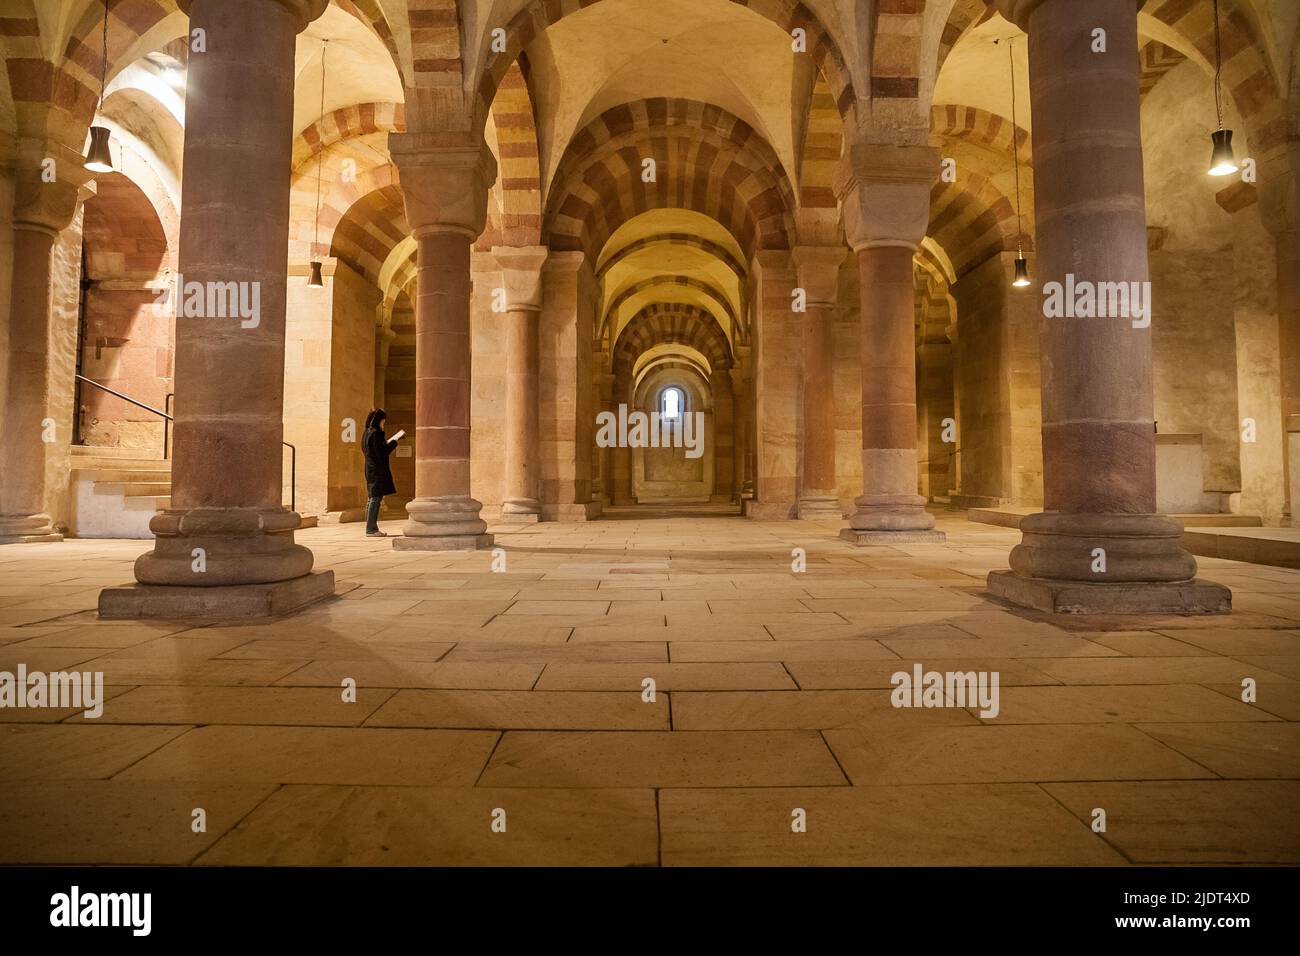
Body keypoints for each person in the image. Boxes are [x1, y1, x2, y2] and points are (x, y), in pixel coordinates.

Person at [361, 408, 398, 537]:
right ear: (380, 420)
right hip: (377, 470)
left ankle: (371, 527)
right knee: (375, 498)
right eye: (383, 420)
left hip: (370, 468)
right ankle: (371, 529)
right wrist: (393, 443)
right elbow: (381, 452)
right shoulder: (376, 433)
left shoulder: (366, 432)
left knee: (372, 498)